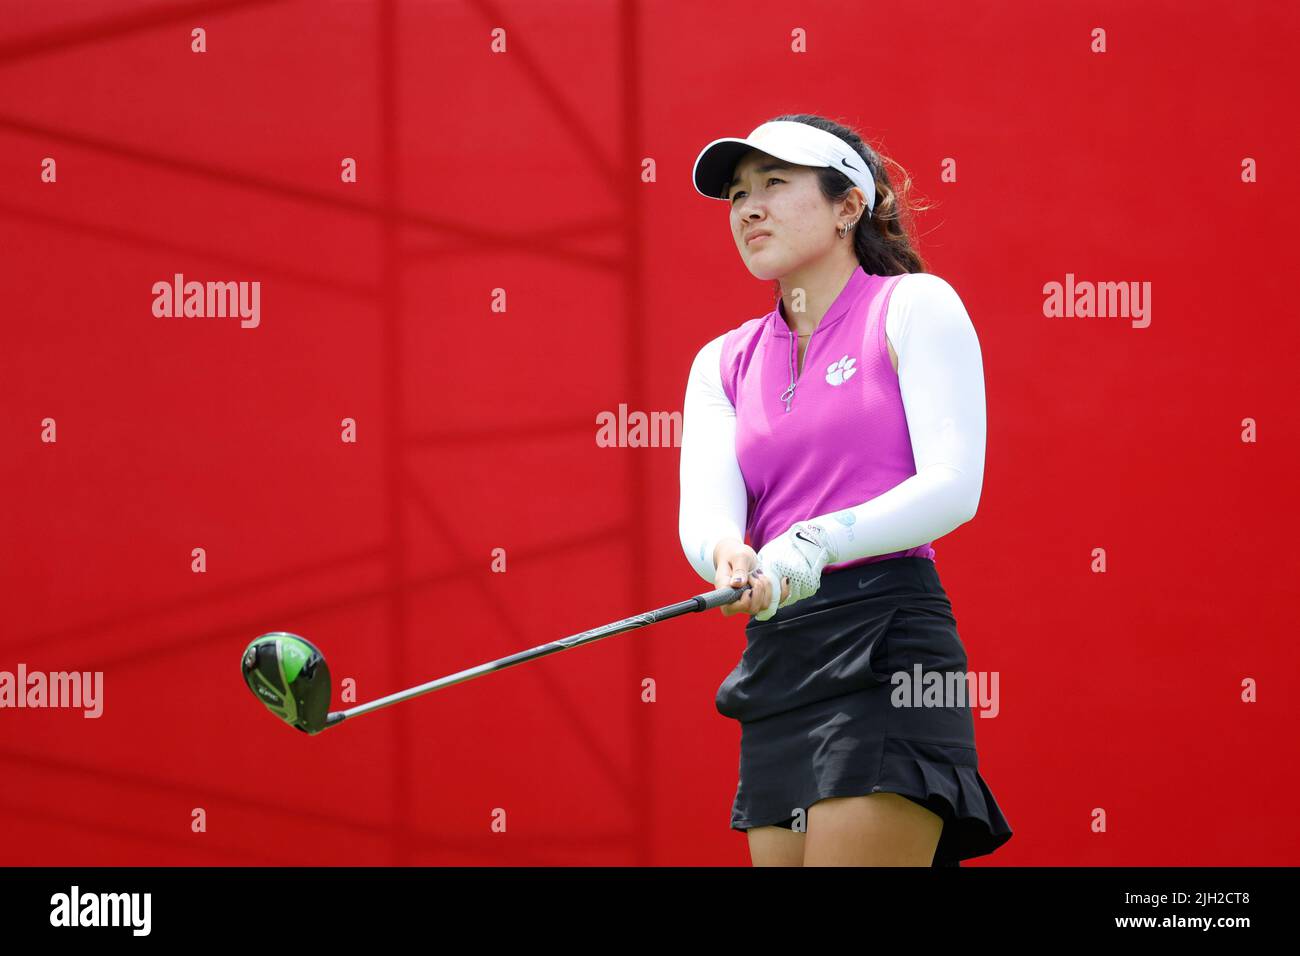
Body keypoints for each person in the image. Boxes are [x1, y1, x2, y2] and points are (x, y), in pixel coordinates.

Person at [679, 114, 1013, 866]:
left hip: (889, 641)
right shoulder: (721, 362)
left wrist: (815, 540)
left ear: (848, 206)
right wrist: (728, 557)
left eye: (774, 184)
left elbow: (955, 487)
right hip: (781, 656)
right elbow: (708, 515)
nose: (749, 208)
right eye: (736, 195)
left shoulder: (913, 306)